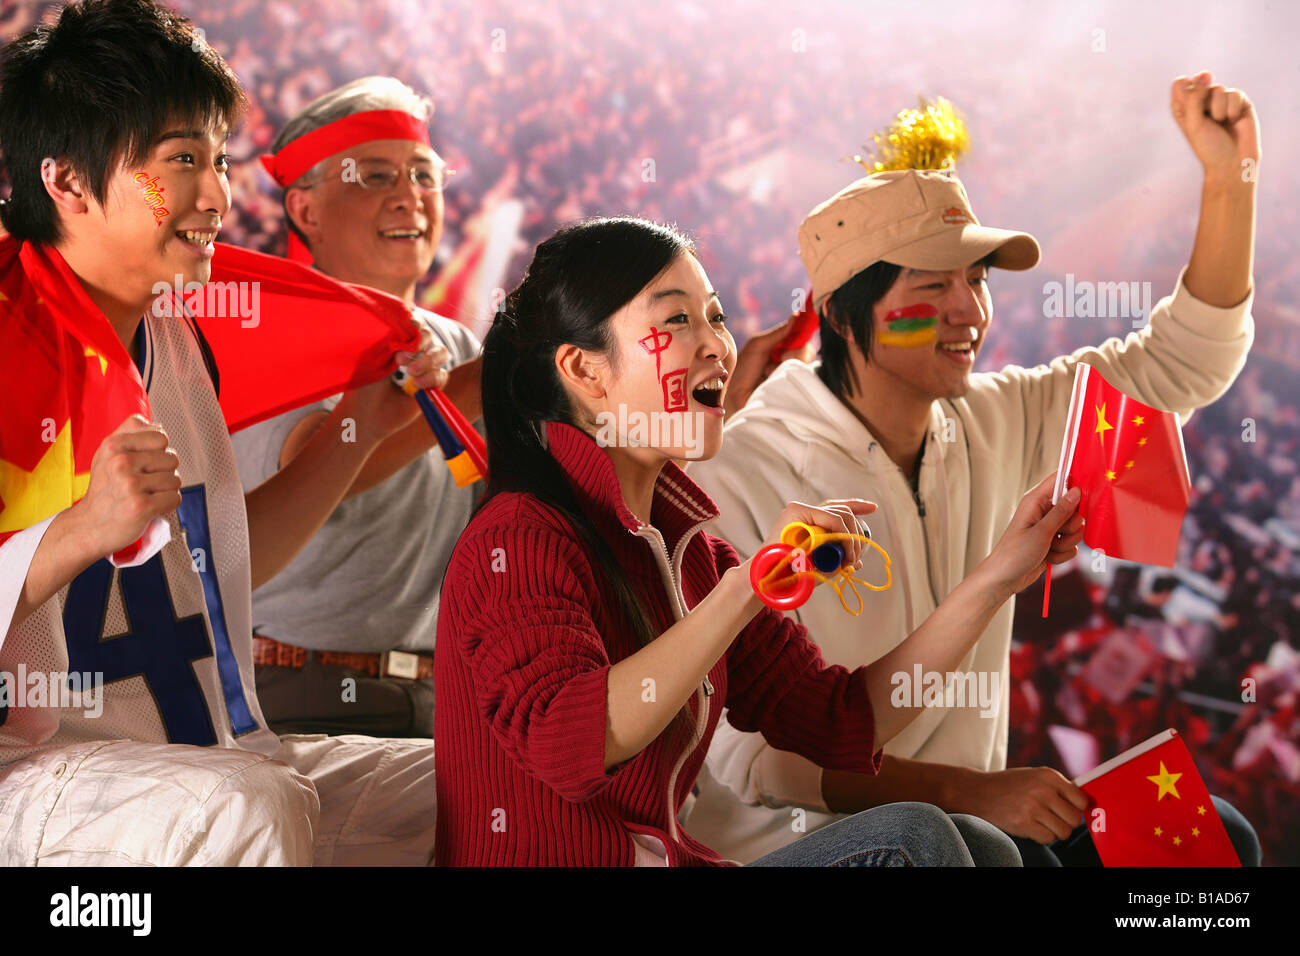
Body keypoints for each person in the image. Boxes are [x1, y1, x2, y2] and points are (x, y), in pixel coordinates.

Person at [683, 75, 1263, 866]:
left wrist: (1229, 182)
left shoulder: (1000, 414)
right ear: (847, 317)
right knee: (935, 841)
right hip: (826, 850)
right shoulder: (737, 474)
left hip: (979, 834)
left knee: (1208, 834)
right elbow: (751, 761)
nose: (971, 311)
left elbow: (1182, 364)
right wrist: (964, 790)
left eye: (979, 280)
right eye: (933, 287)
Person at [433, 216, 1087, 866]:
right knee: (916, 839)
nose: (719, 344)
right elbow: (570, 745)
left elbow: (841, 722)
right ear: (584, 370)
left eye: (714, 316)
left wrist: (998, 577)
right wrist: (748, 589)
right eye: (675, 321)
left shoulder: (693, 555)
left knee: (988, 848)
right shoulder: (517, 537)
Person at [0, 0, 443, 865]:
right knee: (246, 807)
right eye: (182, 161)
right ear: (67, 183)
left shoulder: (172, 330)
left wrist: (357, 430)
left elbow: (220, 569)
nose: (216, 195)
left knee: (482, 781)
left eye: (219, 159)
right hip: (32, 772)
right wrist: (79, 534)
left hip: (211, 756)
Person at [231, 76, 481, 737]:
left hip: (436, 700)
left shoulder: (458, 346)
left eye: (425, 176)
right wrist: (488, 381)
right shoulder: (274, 326)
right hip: (298, 695)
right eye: (374, 177)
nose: (411, 197)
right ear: (305, 212)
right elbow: (318, 469)